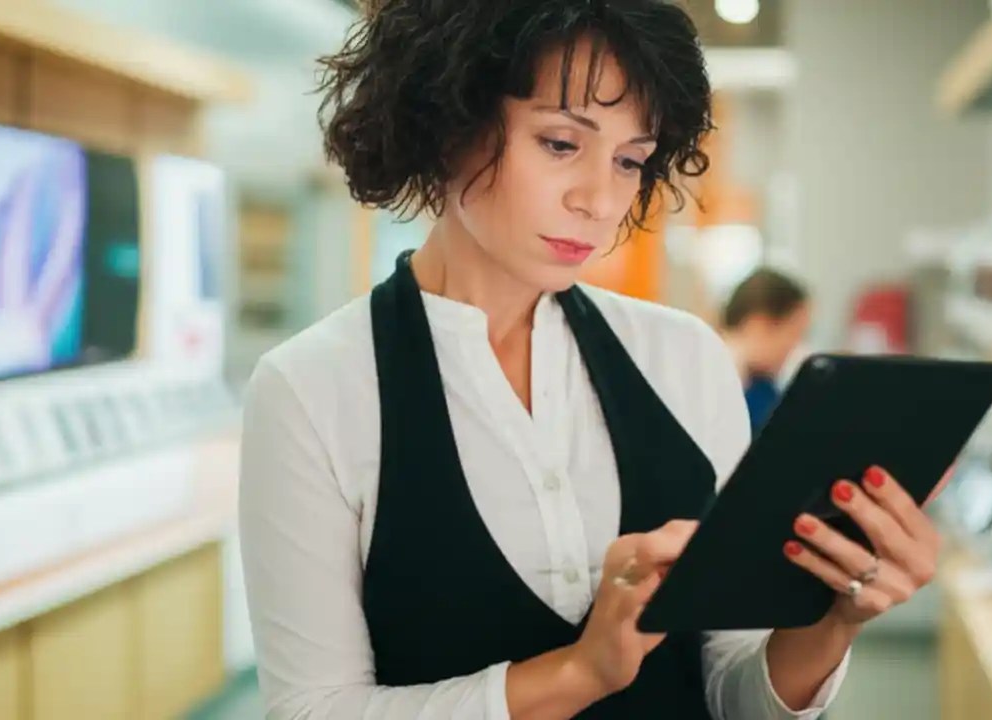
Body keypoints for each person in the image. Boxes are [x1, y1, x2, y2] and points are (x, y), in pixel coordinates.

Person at [238, 2, 945, 718]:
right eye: (559, 144)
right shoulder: (311, 388)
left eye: (630, 160)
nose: (600, 200)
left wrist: (831, 623)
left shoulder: (684, 357)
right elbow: (312, 710)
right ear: (448, 119)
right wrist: (578, 673)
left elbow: (733, 690)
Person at [719, 268, 813, 436]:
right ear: (759, 325)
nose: (795, 347)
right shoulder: (711, 383)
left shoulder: (765, 386)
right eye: (793, 333)